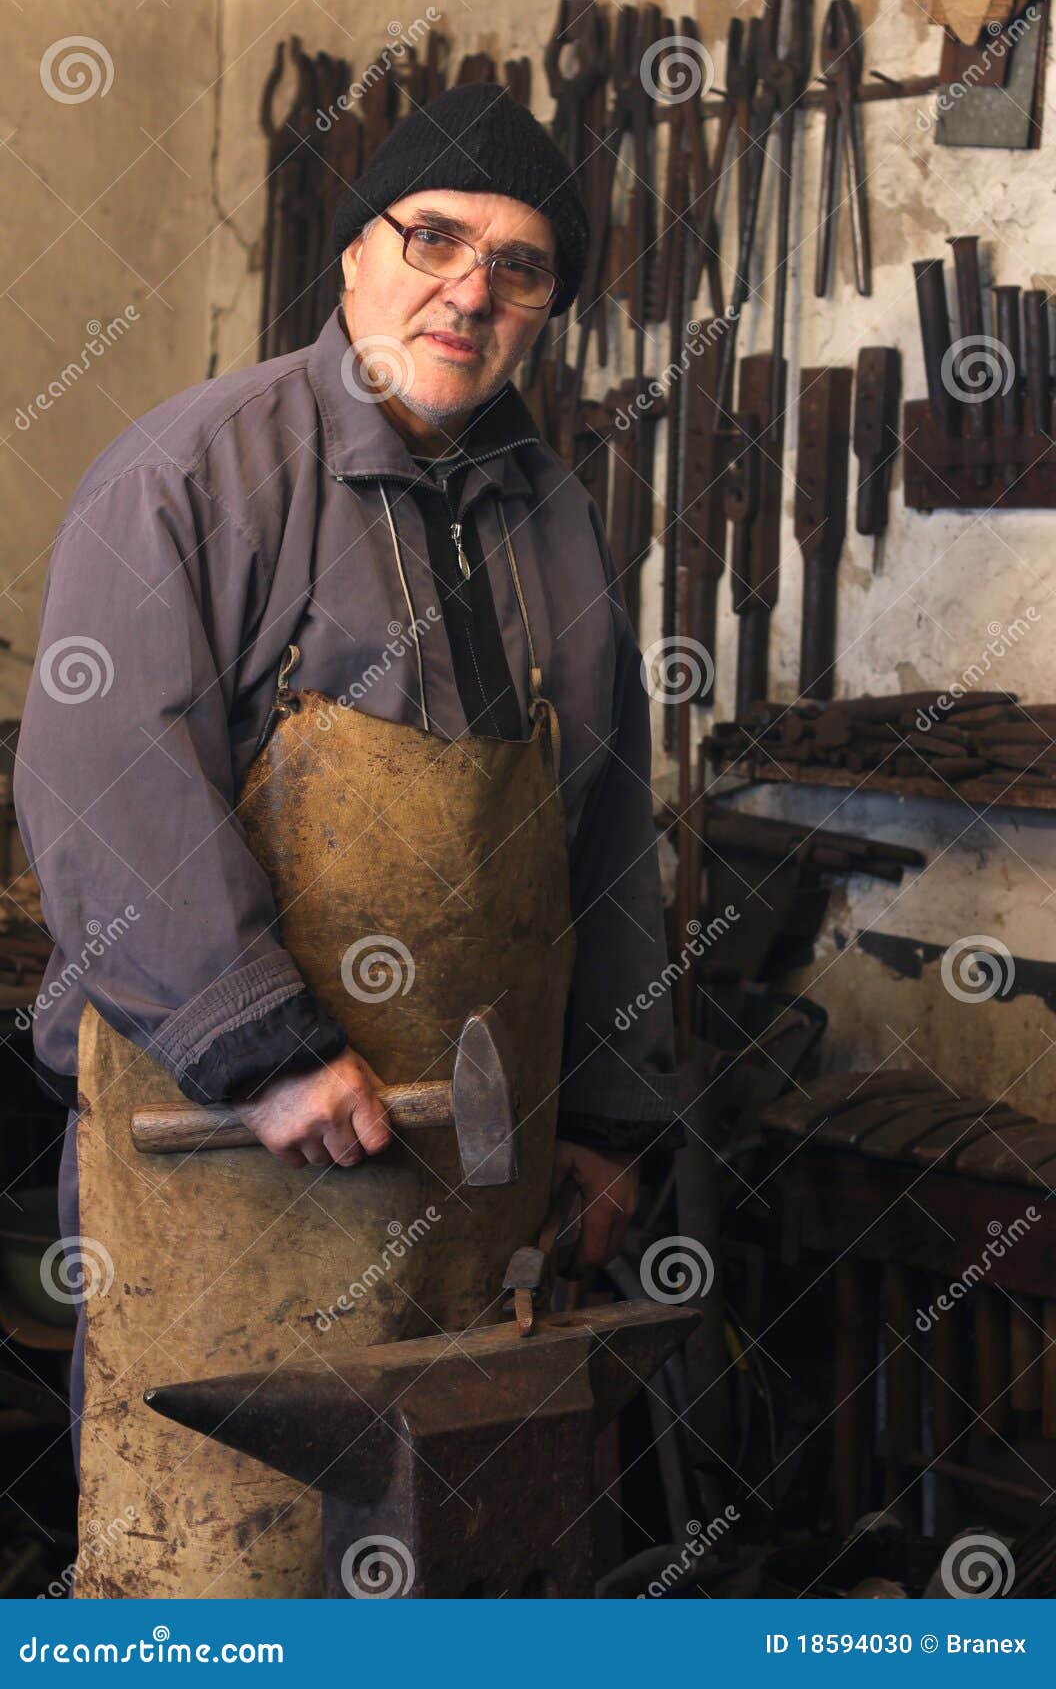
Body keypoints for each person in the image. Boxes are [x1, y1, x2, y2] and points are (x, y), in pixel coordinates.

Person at [14, 83, 685, 1552]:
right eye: (435, 237)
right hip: (236, 1165)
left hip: (473, 1191)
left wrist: (617, 1110)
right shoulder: (195, 473)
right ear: (355, 254)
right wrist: (261, 1044)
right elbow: (104, 779)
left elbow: (608, 831)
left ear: (548, 308)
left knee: (454, 1576)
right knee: (224, 1575)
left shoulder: (556, 518)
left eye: (522, 265)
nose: (472, 291)